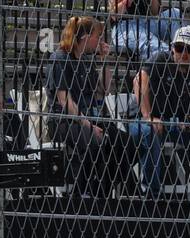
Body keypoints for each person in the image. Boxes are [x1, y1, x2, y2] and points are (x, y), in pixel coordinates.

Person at [46, 16, 134, 197]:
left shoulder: (86, 60)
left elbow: (104, 88)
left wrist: (104, 60)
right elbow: (65, 101)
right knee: (95, 141)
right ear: (85, 38)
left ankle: (100, 191)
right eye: (98, 36)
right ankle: (80, 192)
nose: (100, 41)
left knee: (128, 144)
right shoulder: (60, 58)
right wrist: (88, 125)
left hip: (90, 117)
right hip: (64, 120)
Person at [129, 25, 190, 199]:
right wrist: (149, 117)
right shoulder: (160, 59)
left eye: (189, 49)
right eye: (179, 48)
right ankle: (152, 193)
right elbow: (139, 80)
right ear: (172, 48)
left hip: (177, 125)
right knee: (149, 132)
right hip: (147, 121)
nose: (183, 53)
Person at [109, 0, 182, 60]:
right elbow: (114, 15)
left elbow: (154, 12)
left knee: (175, 13)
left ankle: (182, 48)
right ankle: (174, 57)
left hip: (147, 22)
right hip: (124, 26)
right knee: (150, 43)